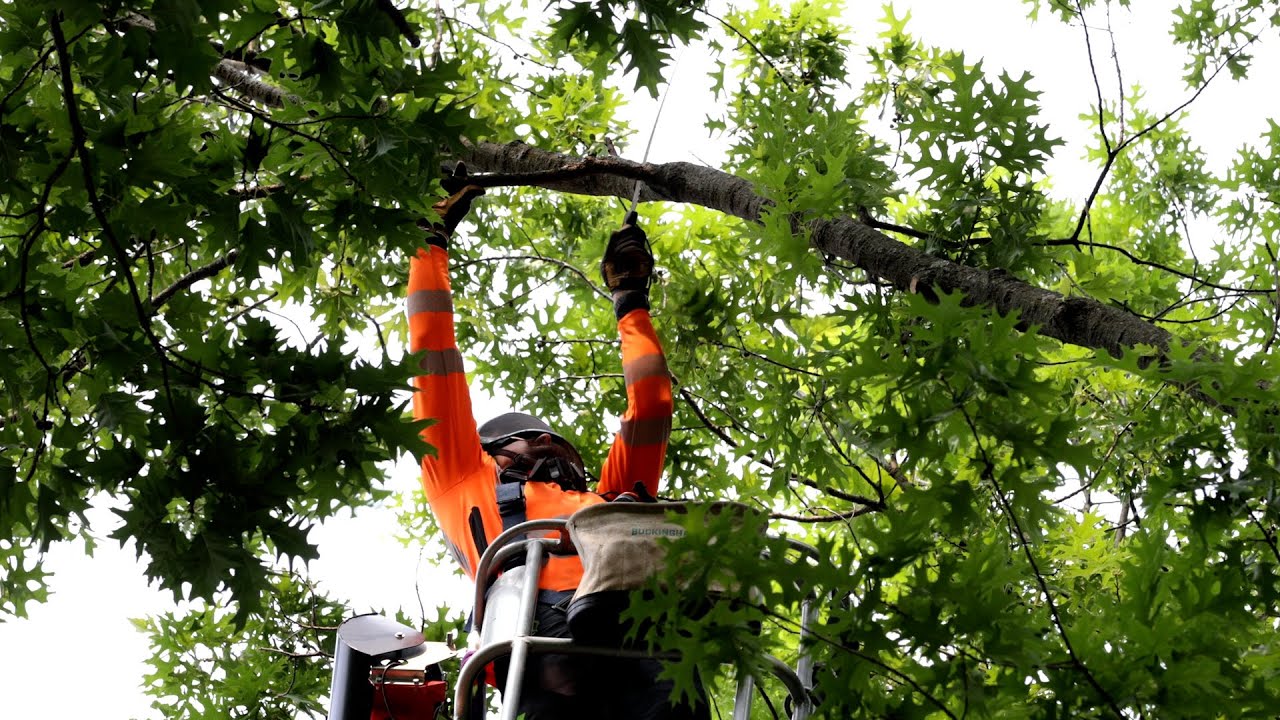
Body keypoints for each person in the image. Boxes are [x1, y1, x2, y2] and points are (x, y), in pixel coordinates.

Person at [407, 172, 706, 720]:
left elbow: (652, 409)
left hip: (640, 641)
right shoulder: (463, 478)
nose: (551, 445)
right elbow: (433, 359)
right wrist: (430, 244)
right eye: (534, 439)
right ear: (494, 450)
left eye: (559, 444)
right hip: (542, 645)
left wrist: (630, 303)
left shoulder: (605, 499)